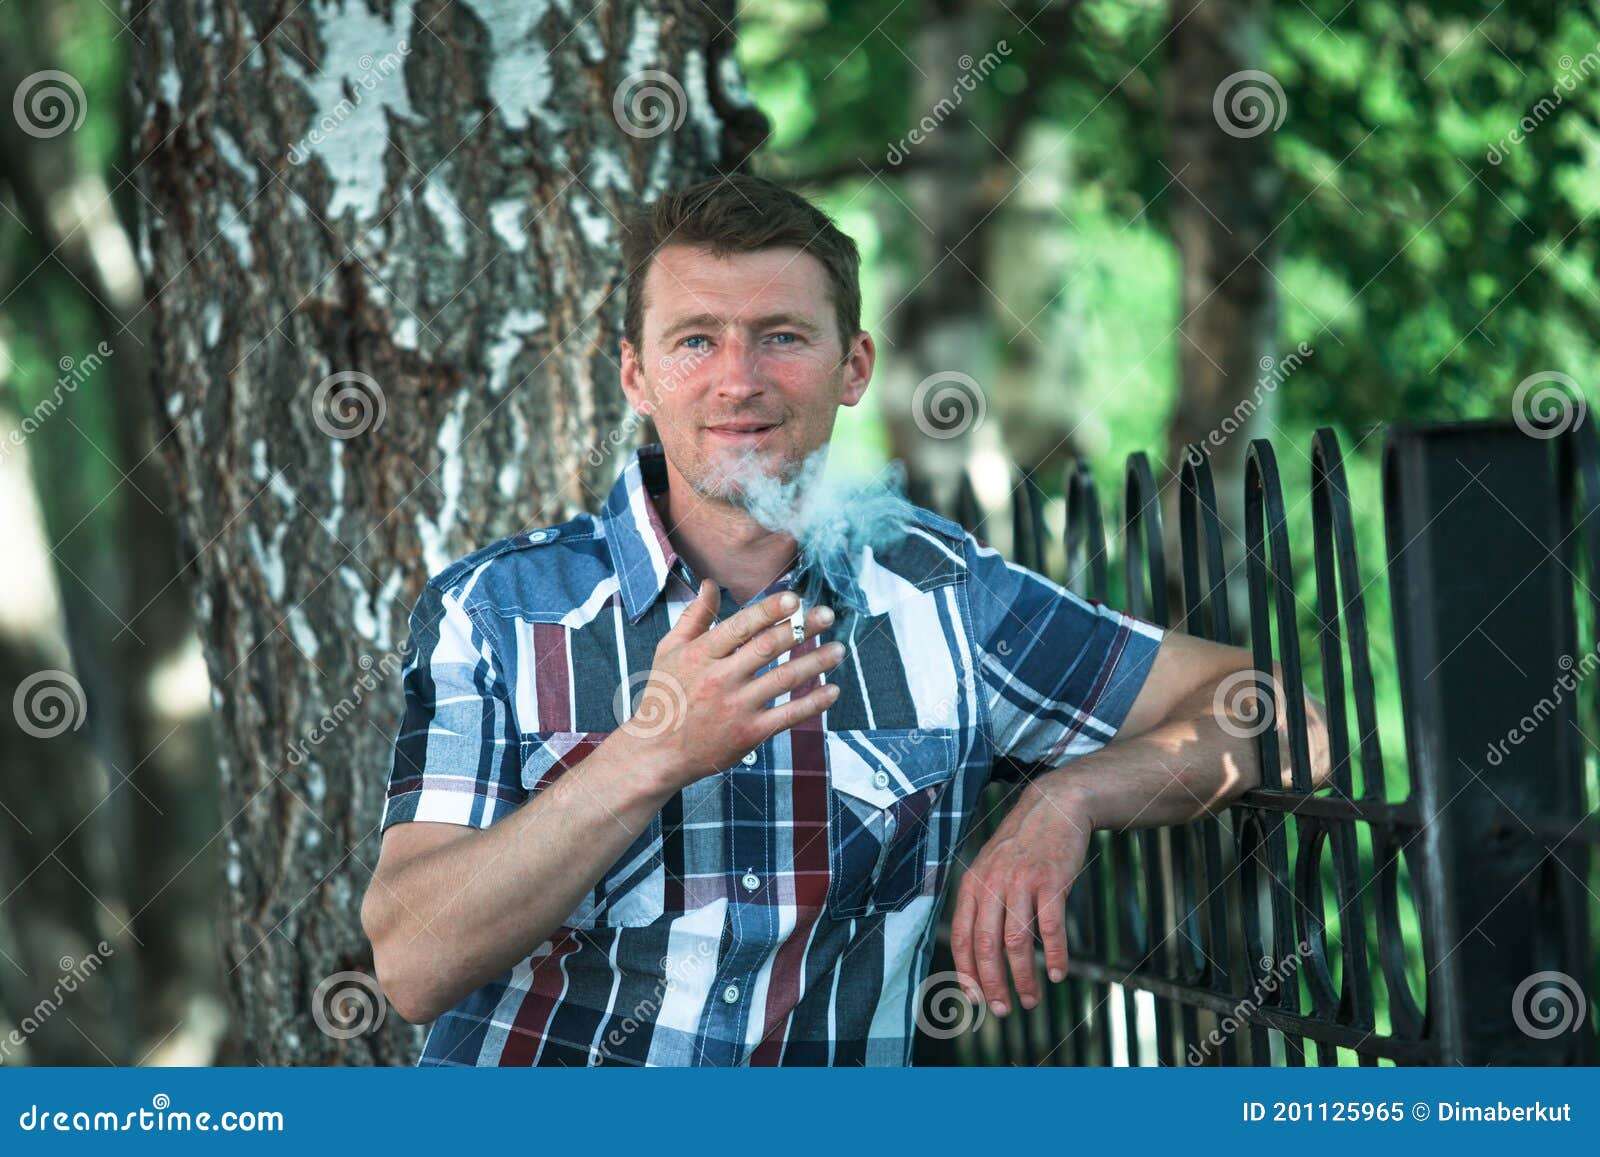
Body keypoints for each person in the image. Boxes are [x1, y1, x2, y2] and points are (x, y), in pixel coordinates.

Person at [359, 174, 1330, 1066]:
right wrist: (648, 752)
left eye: (781, 334)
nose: (738, 380)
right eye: (694, 339)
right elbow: (412, 963)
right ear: (635, 376)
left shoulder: (943, 595)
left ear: (853, 364)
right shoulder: (497, 609)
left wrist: (1066, 799)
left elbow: (1284, 720)